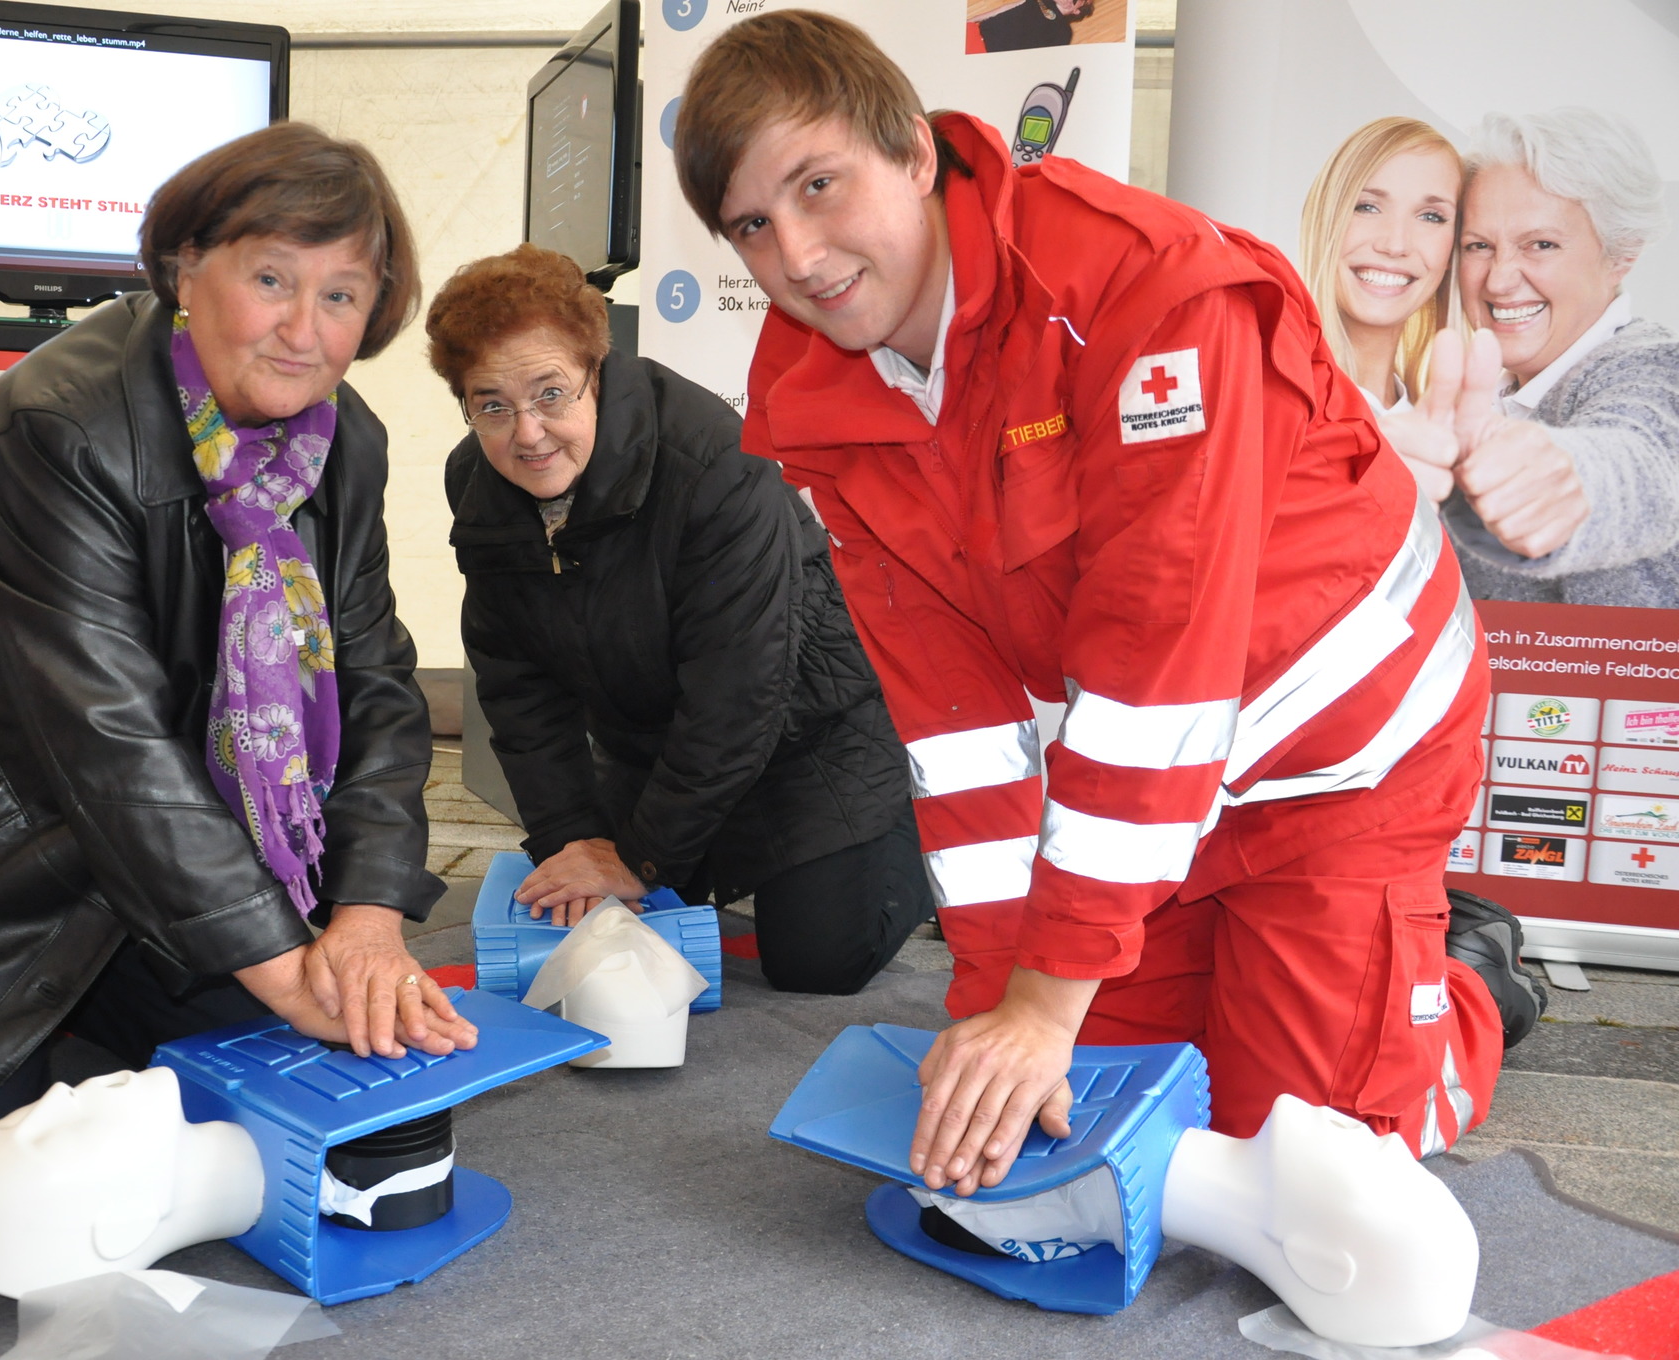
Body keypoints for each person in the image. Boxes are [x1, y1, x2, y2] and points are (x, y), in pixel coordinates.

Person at [672, 11, 1545, 1201]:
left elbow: (1158, 662)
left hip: (1338, 753)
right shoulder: (811, 392)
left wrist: (1049, 991)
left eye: (819, 185)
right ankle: (1342, 983)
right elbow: (953, 718)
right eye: (753, 227)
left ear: (916, 154)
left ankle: (1463, 990)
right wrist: (996, 1002)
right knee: (1098, 1122)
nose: (800, 253)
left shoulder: (1143, 287)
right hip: (1156, 785)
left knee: (1306, 1160)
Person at [0, 123, 476, 1176]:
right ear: (187, 267)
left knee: (365, 1117)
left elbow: (375, 684)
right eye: (271, 277)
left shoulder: (342, 439)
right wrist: (289, 974)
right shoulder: (59, 429)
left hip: (149, 847)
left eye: (341, 295)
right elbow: (106, 740)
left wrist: (363, 917)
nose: (301, 329)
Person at [430, 244, 929, 995]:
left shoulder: (718, 471)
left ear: (595, 372)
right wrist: (576, 846)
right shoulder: (477, 481)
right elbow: (519, 691)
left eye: (550, 394)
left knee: (820, 961)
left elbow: (739, 700)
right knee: (599, 926)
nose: (526, 433)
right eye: (491, 405)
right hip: (657, 747)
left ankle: (913, 834)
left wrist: (637, 859)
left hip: (812, 739)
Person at [1425, 109, 1678, 608]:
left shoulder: (1655, 369)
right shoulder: (1473, 399)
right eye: (1479, 246)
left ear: (1621, 255)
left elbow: (1646, 456)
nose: (1498, 280)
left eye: (1541, 244)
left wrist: (1570, 480)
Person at [1298, 118, 1463, 502]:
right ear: (1326, 219)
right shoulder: (1265, 402)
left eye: (1431, 217)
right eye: (1367, 206)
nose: (1395, 243)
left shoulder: (1445, 436)